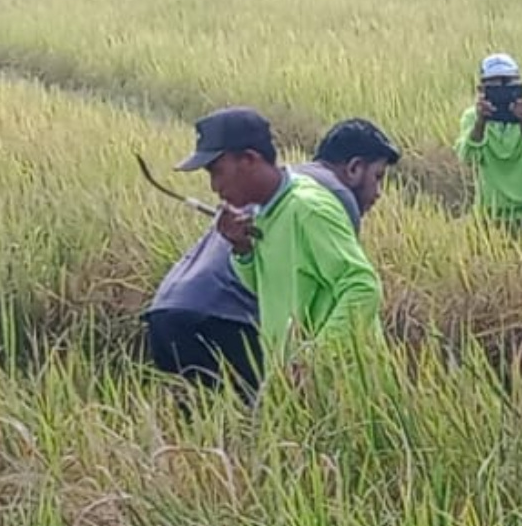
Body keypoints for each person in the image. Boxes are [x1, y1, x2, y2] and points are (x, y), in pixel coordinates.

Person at [145, 116, 401, 402]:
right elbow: (269, 288)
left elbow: (361, 285)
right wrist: (242, 250)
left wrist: (311, 360)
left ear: (250, 160)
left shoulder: (309, 206)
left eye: (217, 172)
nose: (215, 187)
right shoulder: (270, 211)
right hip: (303, 376)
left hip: (347, 385)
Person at [457, 53, 522, 233]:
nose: (502, 92)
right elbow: (468, 157)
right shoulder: (472, 117)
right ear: (480, 89)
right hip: (489, 215)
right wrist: (480, 123)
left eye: (508, 84)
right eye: (494, 86)